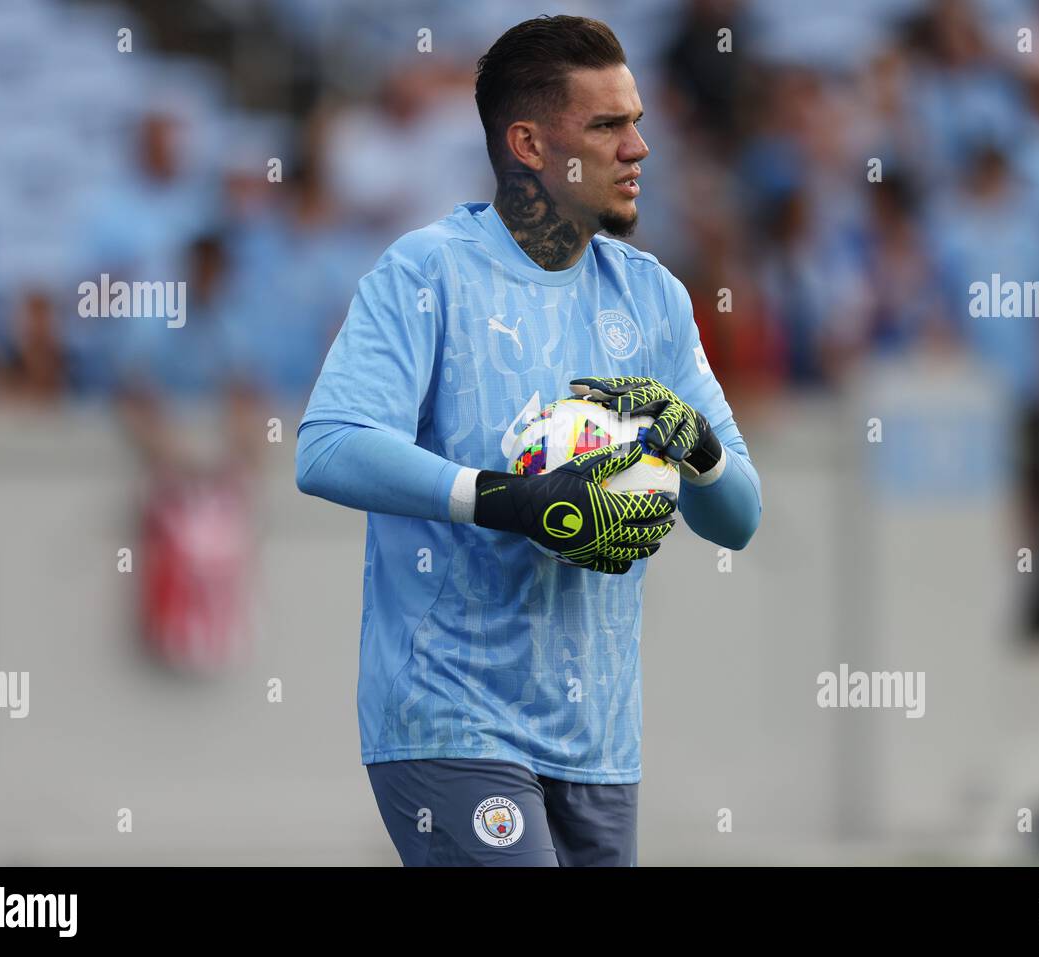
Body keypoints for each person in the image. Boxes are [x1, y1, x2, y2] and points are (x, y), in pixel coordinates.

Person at [296, 15, 762, 866]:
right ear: (529, 144)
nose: (640, 148)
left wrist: (696, 444)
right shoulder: (425, 272)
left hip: (598, 737)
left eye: (639, 121)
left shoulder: (652, 297)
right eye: (607, 125)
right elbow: (327, 446)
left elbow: (738, 519)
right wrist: (510, 500)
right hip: (449, 712)